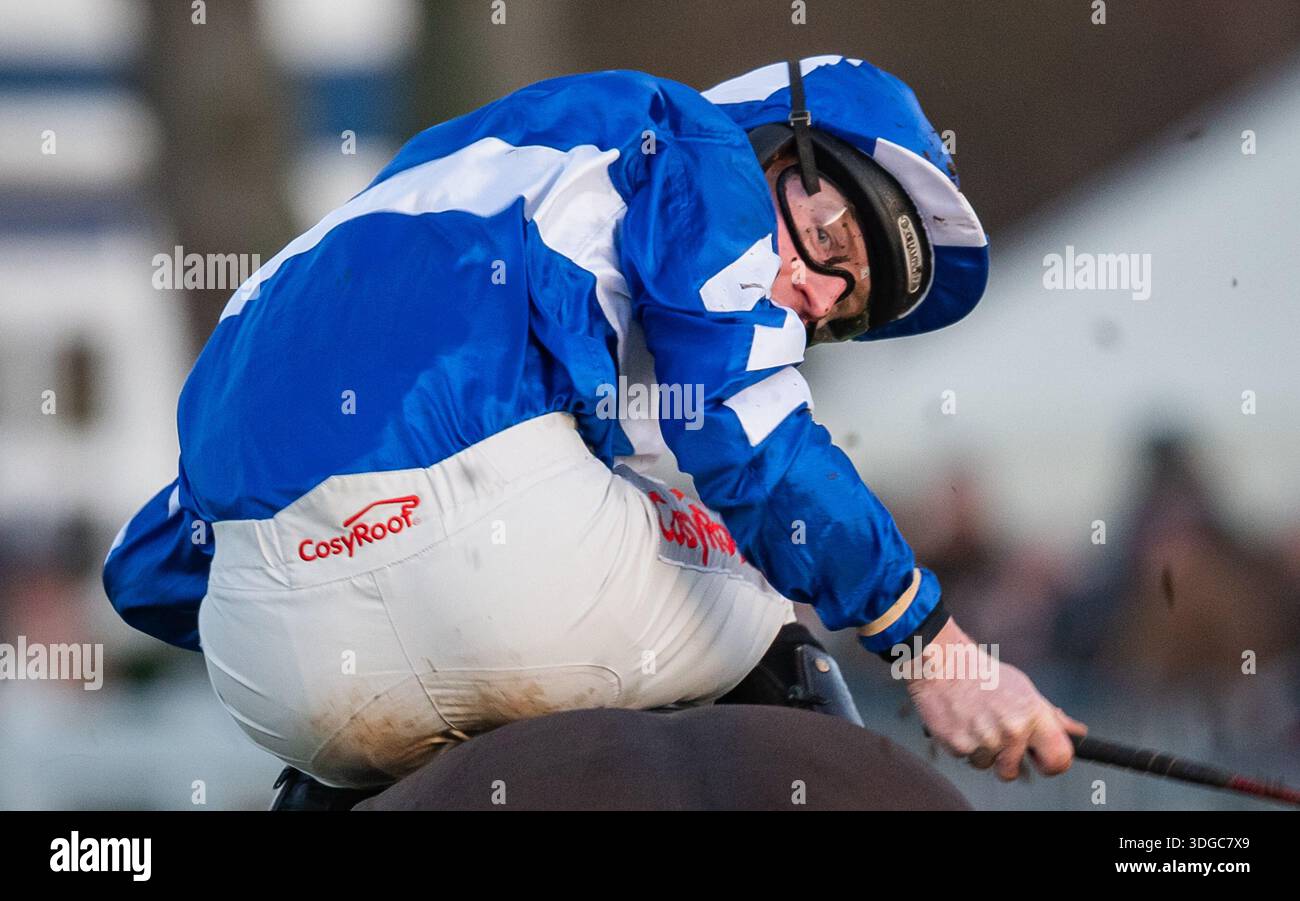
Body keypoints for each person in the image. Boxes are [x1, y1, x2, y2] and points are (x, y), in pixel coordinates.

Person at [104, 55, 1085, 794]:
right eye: (825, 235)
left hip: (267, 658)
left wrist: (338, 579)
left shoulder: (380, 219)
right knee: (759, 583)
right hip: (504, 568)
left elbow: (140, 572)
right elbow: (745, 439)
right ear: (769, 141)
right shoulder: (696, 139)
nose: (812, 292)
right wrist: (930, 647)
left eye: (847, 304)